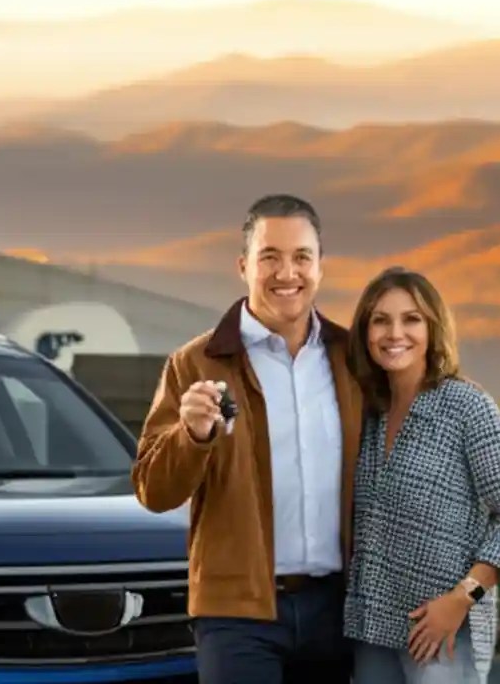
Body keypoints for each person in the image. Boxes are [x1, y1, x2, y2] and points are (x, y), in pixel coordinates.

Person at [132, 194, 363, 684]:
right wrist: (191, 436)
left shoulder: (352, 360)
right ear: (243, 266)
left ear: (321, 266)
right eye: (270, 256)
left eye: (302, 257)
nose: (287, 273)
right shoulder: (195, 363)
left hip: (338, 609)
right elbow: (153, 490)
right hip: (235, 614)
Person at [342, 266, 500, 684]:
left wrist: (461, 599)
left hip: (444, 634)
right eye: (381, 320)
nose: (395, 333)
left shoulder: (468, 407)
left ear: (433, 328)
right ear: (365, 333)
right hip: (372, 631)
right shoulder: (368, 414)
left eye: (411, 319)